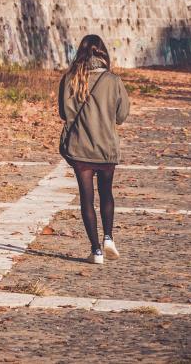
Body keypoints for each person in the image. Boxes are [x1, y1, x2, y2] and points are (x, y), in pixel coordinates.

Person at [58, 34, 130, 264]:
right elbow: (121, 116)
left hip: (80, 149)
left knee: (86, 199)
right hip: (106, 148)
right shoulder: (113, 80)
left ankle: (96, 251)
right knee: (106, 193)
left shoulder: (70, 79)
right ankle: (109, 237)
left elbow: (64, 114)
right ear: (102, 52)